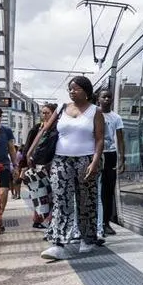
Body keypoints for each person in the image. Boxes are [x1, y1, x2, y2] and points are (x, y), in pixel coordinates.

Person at [30, 76, 104, 261]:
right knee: (61, 200)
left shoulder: (95, 111)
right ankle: (58, 243)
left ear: (86, 92)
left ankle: (87, 238)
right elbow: (45, 130)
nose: (72, 91)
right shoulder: (62, 107)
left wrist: (95, 162)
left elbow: (100, 139)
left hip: (86, 159)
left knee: (86, 200)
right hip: (61, 160)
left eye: (76, 88)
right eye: (70, 88)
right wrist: (30, 152)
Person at [21, 103, 56, 229]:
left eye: (47, 113)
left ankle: (48, 220)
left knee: (50, 194)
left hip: (49, 165)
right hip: (36, 166)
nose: (44, 115)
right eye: (43, 112)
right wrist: (25, 164)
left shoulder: (55, 129)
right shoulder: (37, 128)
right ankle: (39, 219)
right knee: (38, 193)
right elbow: (27, 146)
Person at [97, 88, 125, 236]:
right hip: (96, 155)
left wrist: (122, 159)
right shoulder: (94, 114)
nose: (107, 99)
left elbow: (120, 139)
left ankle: (106, 222)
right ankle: (95, 222)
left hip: (110, 155)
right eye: (104, 97)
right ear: (98, 99)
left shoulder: (116, 117)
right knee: (96, 190)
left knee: (108, 191)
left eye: (109, 97)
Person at [0, 107, 17, 235]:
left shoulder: (6, 130)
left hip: (4, 165)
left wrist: (15, 165)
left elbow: (11, 148)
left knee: (3, 193)